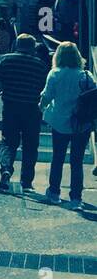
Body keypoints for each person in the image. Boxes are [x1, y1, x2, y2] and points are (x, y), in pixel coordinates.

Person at [0, 34, 48, 193]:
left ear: (17, 44)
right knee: (30, 146)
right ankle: (27, 181)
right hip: (32, 109)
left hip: (10, 107)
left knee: (8, 142)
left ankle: (6, 169)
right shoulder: (40, 65)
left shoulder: (5, 60)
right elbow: (44, 91)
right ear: (32, 47)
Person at [40, 41, 95, 207]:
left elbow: (47, 96)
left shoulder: (55, 73)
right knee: (76, 161)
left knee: (57, 158)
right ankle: (76, 198)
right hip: (81, 124)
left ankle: (54, 192)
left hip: (59, 122)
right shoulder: (86, 75)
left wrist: (41, 107)